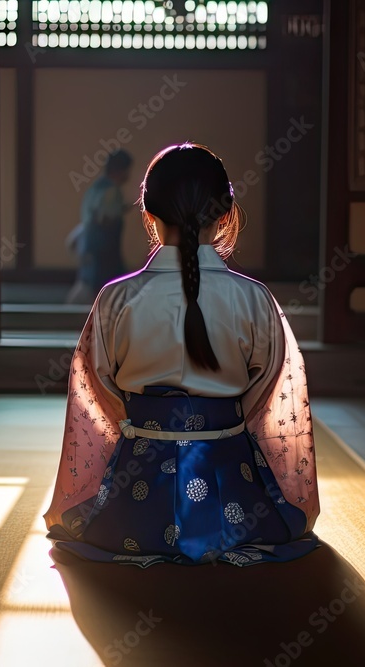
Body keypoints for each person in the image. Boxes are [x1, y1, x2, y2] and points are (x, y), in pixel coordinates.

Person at [45, 143, 319, 567]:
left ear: (149, 217)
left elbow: (97, 386)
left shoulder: (117, 298)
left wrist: (139, 423)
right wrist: (222, 420)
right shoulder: (254, 298)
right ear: (225, 214)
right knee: (274, 524)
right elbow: (268, 389)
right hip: (234, 495)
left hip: (133, 503)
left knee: (101, 524)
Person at [65, 149, 133, 304]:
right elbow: (104, 219)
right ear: (120, 170)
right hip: (104, 255)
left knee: (87, 289)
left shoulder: (95, 188)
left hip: (92, 252)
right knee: (96, 296)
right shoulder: (111, 191)